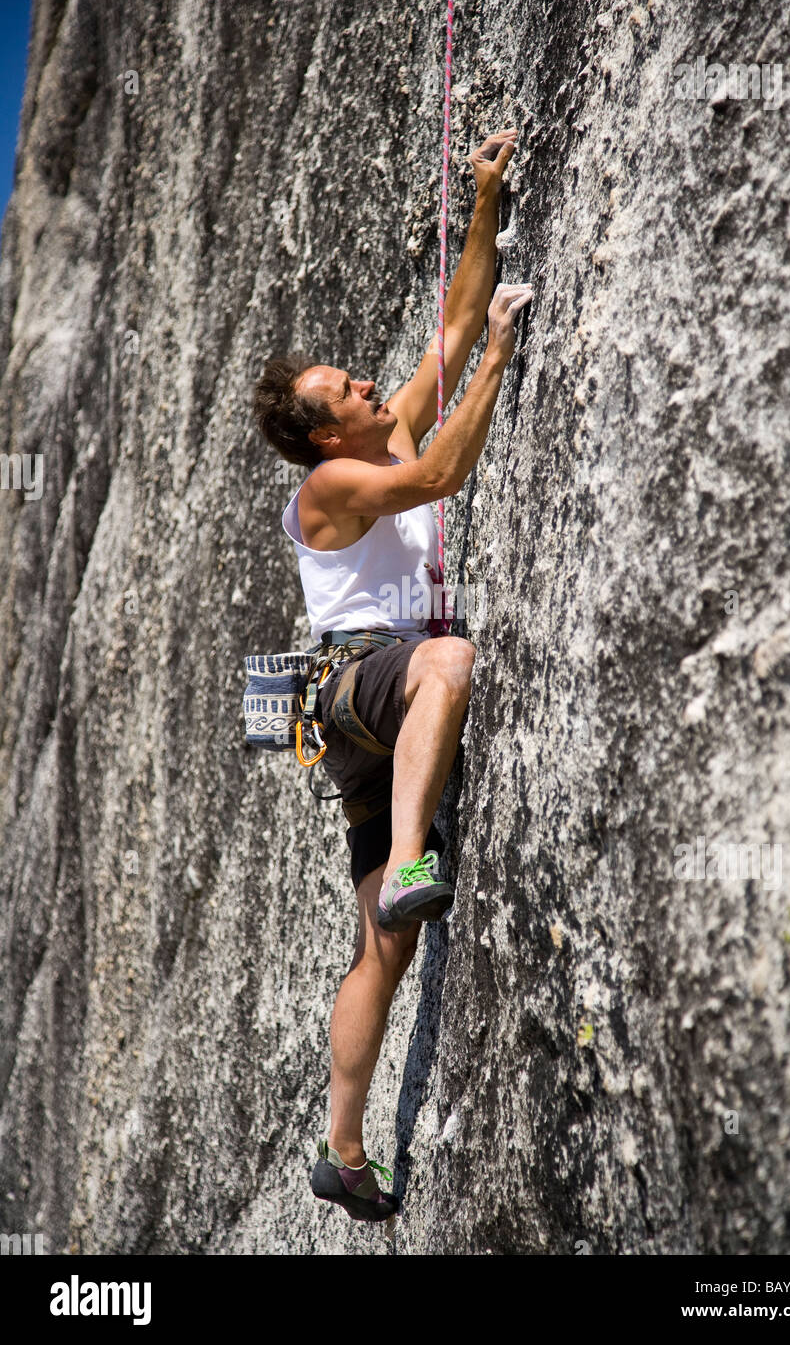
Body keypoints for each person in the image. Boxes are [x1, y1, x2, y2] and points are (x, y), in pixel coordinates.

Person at [253, 129, 533, 1221]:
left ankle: (341, 1148)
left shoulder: (382, 435)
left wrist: (483, 197)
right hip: (351, 680)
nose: (370, 382)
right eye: (346, 388)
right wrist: (502, 359)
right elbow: (443, 468)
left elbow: (455, 319)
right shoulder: (332, 485)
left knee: (384, 937)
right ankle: (416, 853)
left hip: (356, 727)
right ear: (325, 433)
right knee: (446, 662)